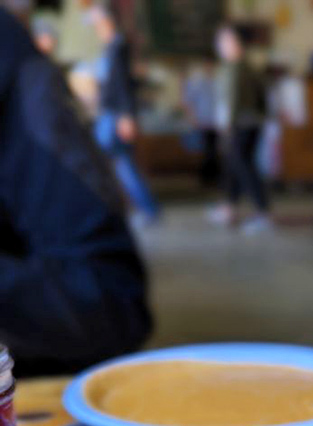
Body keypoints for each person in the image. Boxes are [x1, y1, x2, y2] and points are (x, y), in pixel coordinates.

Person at [0, 9, 150, 376]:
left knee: (127, 171)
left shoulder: (21, 71)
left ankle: (149, 208)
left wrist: (123, 116)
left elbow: (112, 299)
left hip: (111, 124)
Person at [89, 2, 160, 225]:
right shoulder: (112, 46)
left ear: (108, 21)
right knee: (122, 165)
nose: (96, 26)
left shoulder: (119, 46)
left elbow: (123, 85)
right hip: (112, 114)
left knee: (104, 162)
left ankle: (139, 209)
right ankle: (145, 209)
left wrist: (126, 115)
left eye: (98, 21)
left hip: (115, 116)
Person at [209, 24, 271, 234]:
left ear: (236, 43)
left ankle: (263, 213)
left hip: (241, 124)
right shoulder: (241, 66)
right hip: (249, 123)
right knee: (235, 165)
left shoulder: (238, 67)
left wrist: (226, 124)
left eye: (225, 41)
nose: (221, 45)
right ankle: (229, 207)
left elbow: (231, 99)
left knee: (244, 167)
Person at [182, 62, 220, 186]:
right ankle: (206, 177)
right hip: (203, 121)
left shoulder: (217, 83)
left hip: (216, 122)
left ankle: (213, 177)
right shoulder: (198, 83)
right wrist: (192, 118)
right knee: (207, 150)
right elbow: (188, 101)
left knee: (213, 150)